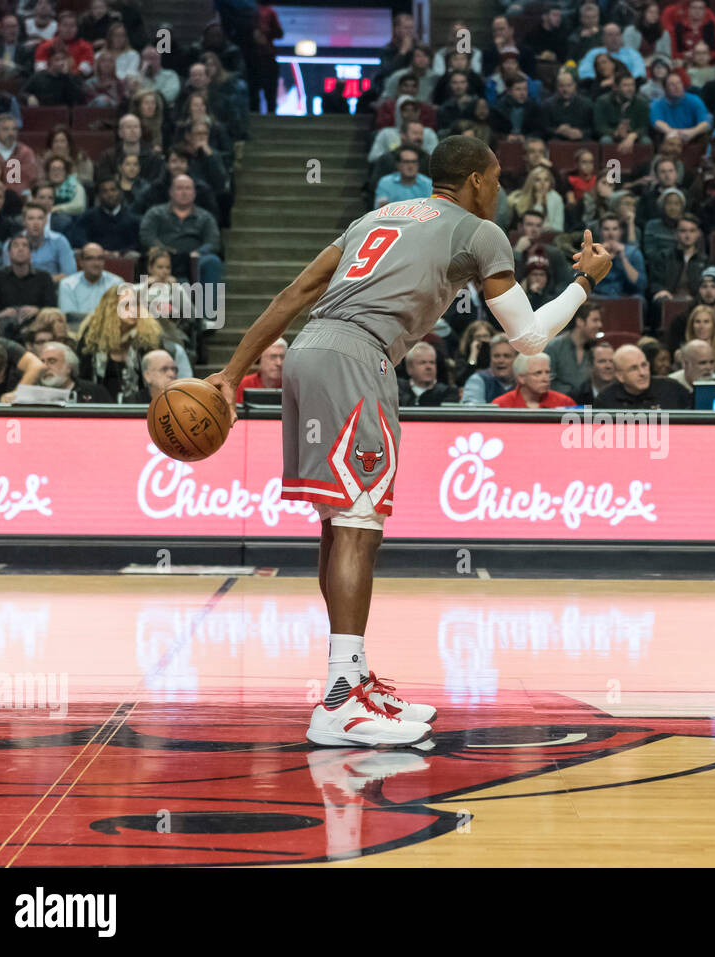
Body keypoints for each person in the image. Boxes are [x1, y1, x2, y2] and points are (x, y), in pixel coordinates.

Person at [203, 136, 613, 748]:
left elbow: (294, 295)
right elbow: (528, 339)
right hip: (359, 358)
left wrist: (232, 375)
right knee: (360, 523)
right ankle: (340, 701)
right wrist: (584, 284)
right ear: (475, 180)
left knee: (339, 521)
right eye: (497, 179)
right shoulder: (478, 231)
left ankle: (355, 681)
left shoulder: (376, 216)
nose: (499, 191)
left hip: (308, 353)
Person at [595, 342, 691, 408]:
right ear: (620, 376)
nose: (642, 373)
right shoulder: (605, 399)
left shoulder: (672, 388)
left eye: (644, 365)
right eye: (634, 368)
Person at [544, 303, 603, 398]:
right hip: (557, 406)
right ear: (580, 322)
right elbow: (545, 381)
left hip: (585, 406)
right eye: (595, 320)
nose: (600, 325)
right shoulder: (554, 347)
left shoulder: (594, 350)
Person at [57, 242, 118, 321]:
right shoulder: (67, 284)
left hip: (108, 329)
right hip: (77, 329)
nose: (96, 263)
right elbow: (70, 316)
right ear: (81, 262)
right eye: (90, 259)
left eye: (100, 258)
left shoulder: (116, 283)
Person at [36, 341, 111, 402]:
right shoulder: (34, 393)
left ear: (69, 366)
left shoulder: (95, 392)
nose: (44, 367)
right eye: (42, 362)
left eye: (52, 361)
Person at [493, 353, 575, 407]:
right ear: (521, 378)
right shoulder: (501, 405)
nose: (546, 379)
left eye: (548, 372)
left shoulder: (565, 403)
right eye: (538, 373)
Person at [397, 341, 459, 406]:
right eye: (422, 362)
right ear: (410, 367)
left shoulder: (449, 392)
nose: (428, 367)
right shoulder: (397, 390)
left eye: (432, 362)